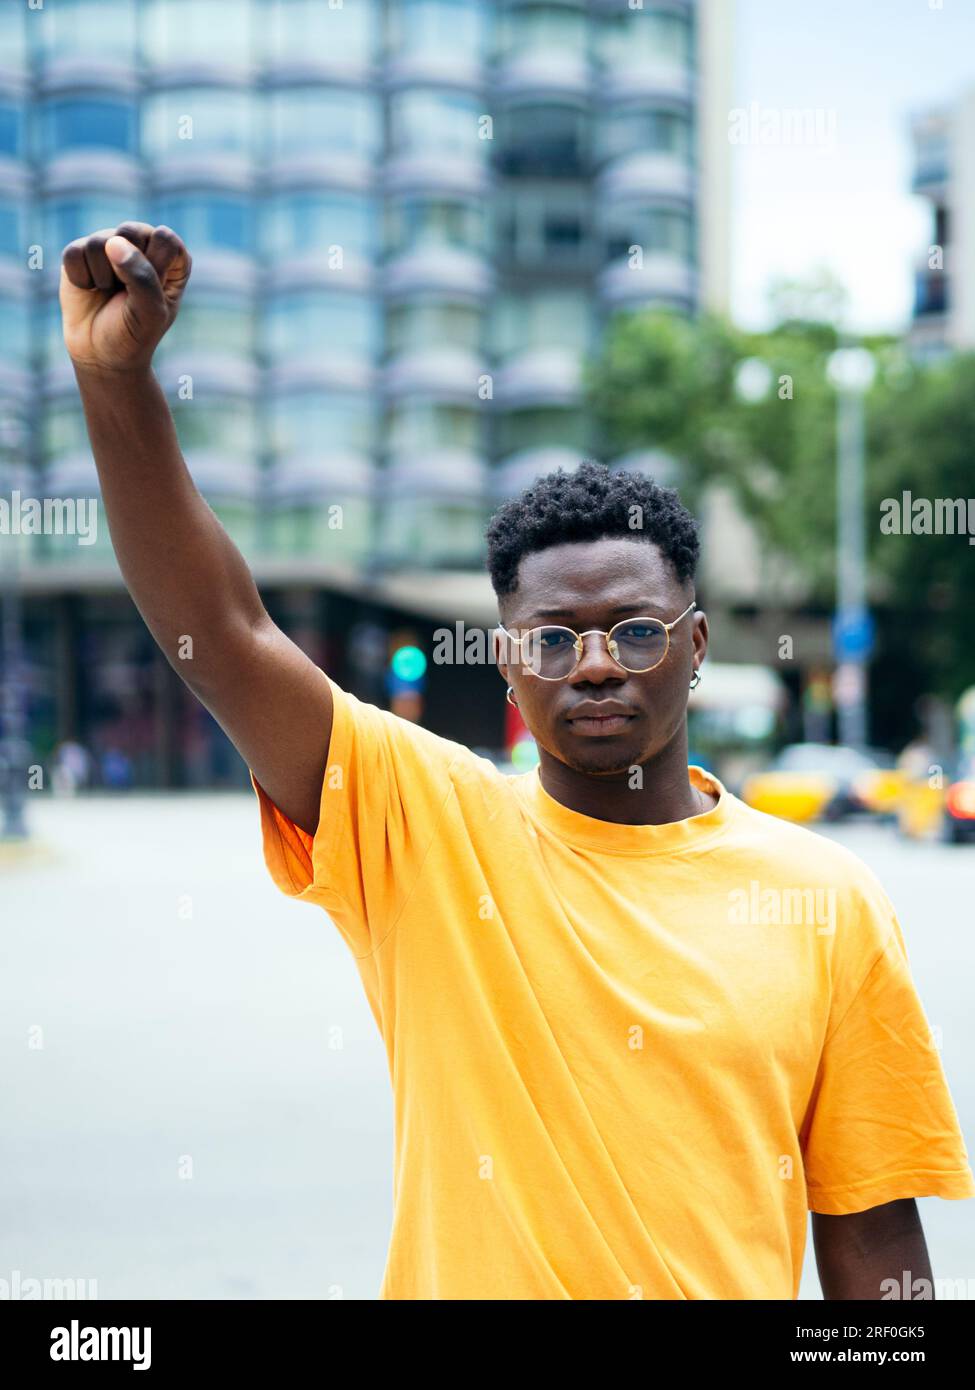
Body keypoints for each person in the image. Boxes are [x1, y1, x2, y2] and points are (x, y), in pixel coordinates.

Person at [60, 222, 975, 1302]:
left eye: (634, 632)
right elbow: (224, 631)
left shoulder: (830, 900)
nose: (594, 665)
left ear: (693, 645)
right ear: (506, 663)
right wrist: (117, 384)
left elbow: (874, 1249)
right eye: (552, 639)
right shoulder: (426, 829)